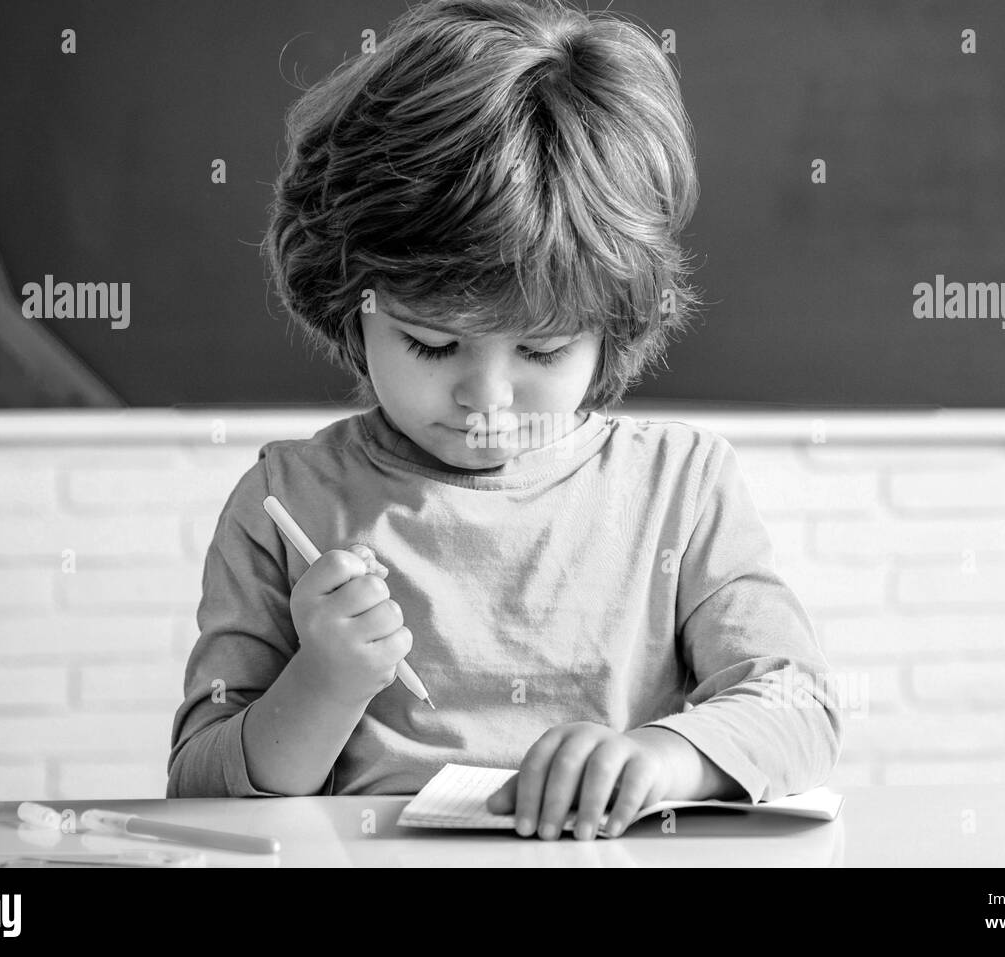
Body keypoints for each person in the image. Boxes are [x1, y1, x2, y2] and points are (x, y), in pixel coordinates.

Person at [168, 0, 843, 841]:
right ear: (354, 304)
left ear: (613, 328)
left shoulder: (682, 485)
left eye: (544, 350)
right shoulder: (287, 501)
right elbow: (196, 784)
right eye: (431, 343)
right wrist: (325, 681)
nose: (486, 399)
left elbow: (798, 704)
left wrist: (668, 757)